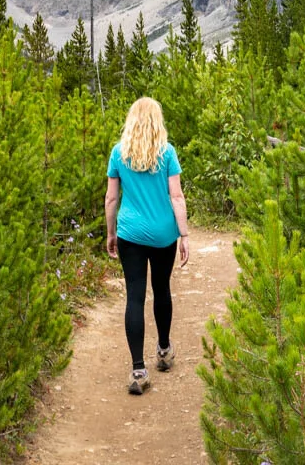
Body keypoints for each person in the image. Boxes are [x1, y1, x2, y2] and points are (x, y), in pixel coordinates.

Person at [105, 96, 190, 395]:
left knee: (135, 297)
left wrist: (111, 232)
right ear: (158, 121)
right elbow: (177, 197)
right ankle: (164, 351)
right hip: (164, 234)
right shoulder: (167, 153)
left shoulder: (119, 153)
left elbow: (112, 199)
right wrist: (185, 235)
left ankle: (138, 370)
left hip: (130, 234)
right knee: (162, 289)